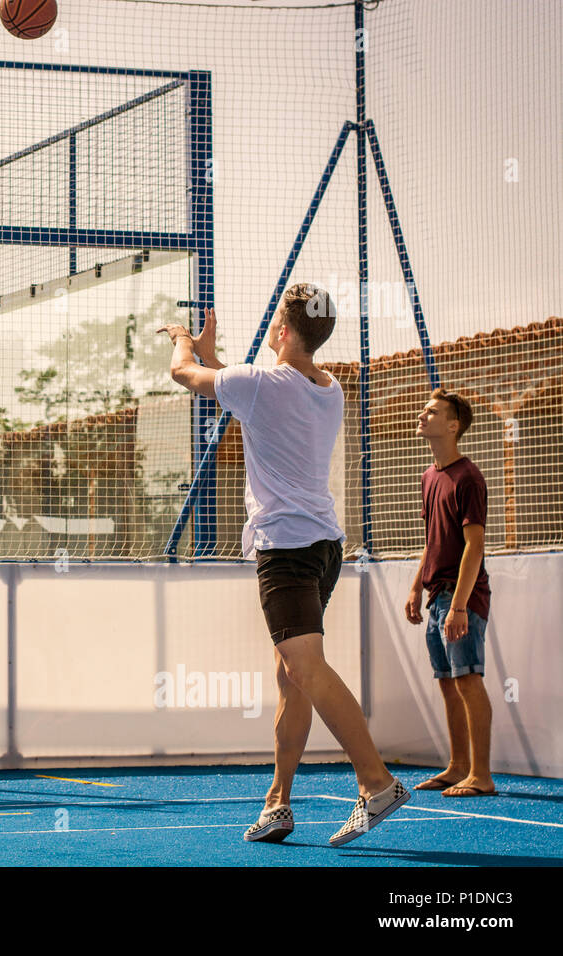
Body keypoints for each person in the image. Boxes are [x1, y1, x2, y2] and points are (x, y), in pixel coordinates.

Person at [159, 284, 409, 847]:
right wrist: (211, 357)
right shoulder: (329, 388)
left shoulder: (261, 385)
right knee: (290, 674)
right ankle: (278, 803)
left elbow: (186, 378)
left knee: (305, 668)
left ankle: (377, 783)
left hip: (288, 549)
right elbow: (248, 392)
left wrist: (182, 342)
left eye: (275, 322)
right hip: (324, 547)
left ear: (283, 332)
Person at [405, 389, 496, 797]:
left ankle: (482, 775)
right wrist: (414, 587)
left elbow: (474, 546)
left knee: (468, 680)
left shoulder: (469, 478)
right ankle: (458, 766)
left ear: (454, 425)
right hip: (436, 596)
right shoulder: (429, 476)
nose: (422, 415)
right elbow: (432, 539)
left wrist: (459, 605)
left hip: (463, 600)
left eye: (432, 411)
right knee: (448, 682)